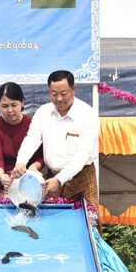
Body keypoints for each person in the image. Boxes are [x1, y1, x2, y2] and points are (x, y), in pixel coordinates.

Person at [12, 70, 99, 208]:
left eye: (63, 93)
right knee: (51, 220)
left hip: (81, 178)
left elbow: (83, 154)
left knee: (88, 221)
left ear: (73, 89)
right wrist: (21, 162)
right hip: (52, 178)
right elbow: (32, 138)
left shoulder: (88, 115)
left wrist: (60, 179)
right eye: (54, 94)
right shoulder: (43, 112)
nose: (59, 98)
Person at [0, 82, 44, 195]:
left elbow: (42, 155)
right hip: (4, 178)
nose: (10, 110)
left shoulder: (33, 124)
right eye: (5, 106)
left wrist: (33, 167)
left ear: (22, 102)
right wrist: (2, 177)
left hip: (29, 176)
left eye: (14, 105)